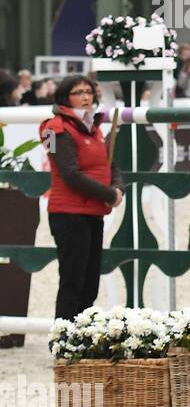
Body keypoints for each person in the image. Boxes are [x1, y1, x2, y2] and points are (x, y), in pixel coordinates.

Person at [39, 76, 124, 320]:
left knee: (89, 284)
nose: (86, 96)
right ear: (66, 98)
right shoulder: (54, 129)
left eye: (88, 91)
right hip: (68, 215)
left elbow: (111, 165)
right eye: (78, 92)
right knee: (72, 282)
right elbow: (70, 174)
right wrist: (109, 194)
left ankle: (81, 339)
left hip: (92, 213)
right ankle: (64, 340)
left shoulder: (94, 129)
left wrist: (118, 189)